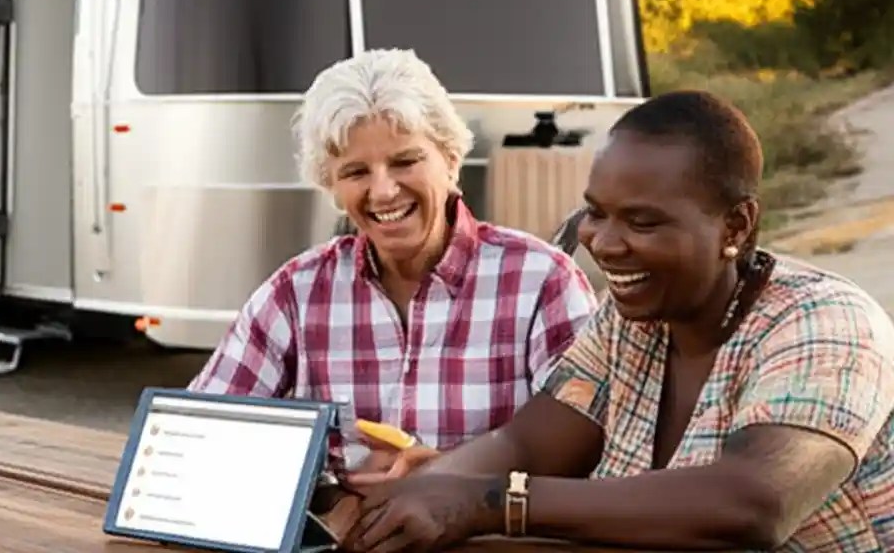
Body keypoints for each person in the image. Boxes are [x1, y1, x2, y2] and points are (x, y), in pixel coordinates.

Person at [337, 90, 894, 552]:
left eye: (642, 222)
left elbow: (752, 505)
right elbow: (525, 445)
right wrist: (409, 502)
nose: (603, 243)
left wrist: (488, 503)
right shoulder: (632, 321)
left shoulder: (825, 324)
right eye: (595, 213)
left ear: (736, 226)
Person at [186, 48, 600, 461]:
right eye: (356, 172)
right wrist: (323, 487)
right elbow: (197, 439)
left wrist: (453, 480)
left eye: (405, 162)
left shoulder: (542, 282)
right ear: (331, 185)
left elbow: (587, 454)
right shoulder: (297, 293)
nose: (383, 191)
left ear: (451, 161)